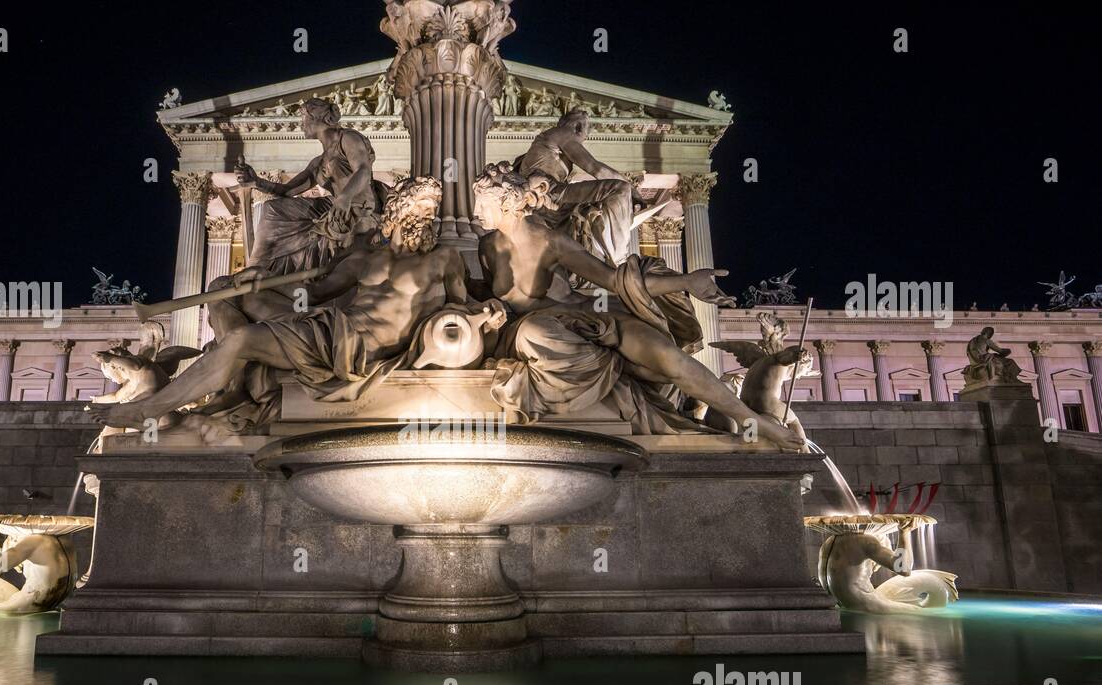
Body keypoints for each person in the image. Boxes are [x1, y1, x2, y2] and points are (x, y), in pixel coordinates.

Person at [92, 178, 496, 430]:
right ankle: (239, 387)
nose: (426, 217)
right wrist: (260, 280)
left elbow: (461, 305)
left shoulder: (443, 259)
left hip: (362, 349)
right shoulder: (364, 260)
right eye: (420, 206)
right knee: (227, 288)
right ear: (399, 207)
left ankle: (152, 409)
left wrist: (489, 310)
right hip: (331, 328)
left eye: (431, 210)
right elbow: (315, 295)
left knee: (239, 340)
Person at [472, 163, 804, 450]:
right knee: (534, 332)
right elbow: (492, 292)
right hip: (545, 327)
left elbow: (615, 281)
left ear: (507, 202)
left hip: (593, 315)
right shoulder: (487, 247)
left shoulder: (549, 241)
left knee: (670, 360)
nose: (475, 211)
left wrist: (685, 282)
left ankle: (754, 422)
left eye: (482, 202)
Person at [231, 97, 385, 276]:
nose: (300, 124)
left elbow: (363, 170)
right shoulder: (318, 163)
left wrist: (345, 198)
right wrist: (257, 181)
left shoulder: (348, 138)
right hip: (334, 207)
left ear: (317, 118)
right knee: (271, 208)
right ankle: (257, 267)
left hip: (359, 206)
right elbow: (287, 191)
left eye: (303, 117)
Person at [516, 109, 634, 265]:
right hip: (549, 193)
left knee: (592, 208)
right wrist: (633, 189)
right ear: (579, 126)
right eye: (586, 131)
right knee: (620, 189)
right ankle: (620, 262)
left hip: (549, 196)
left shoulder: (547, 138)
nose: (584, 137)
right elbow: (596, 169)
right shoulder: (563, 133)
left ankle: (598, 258)